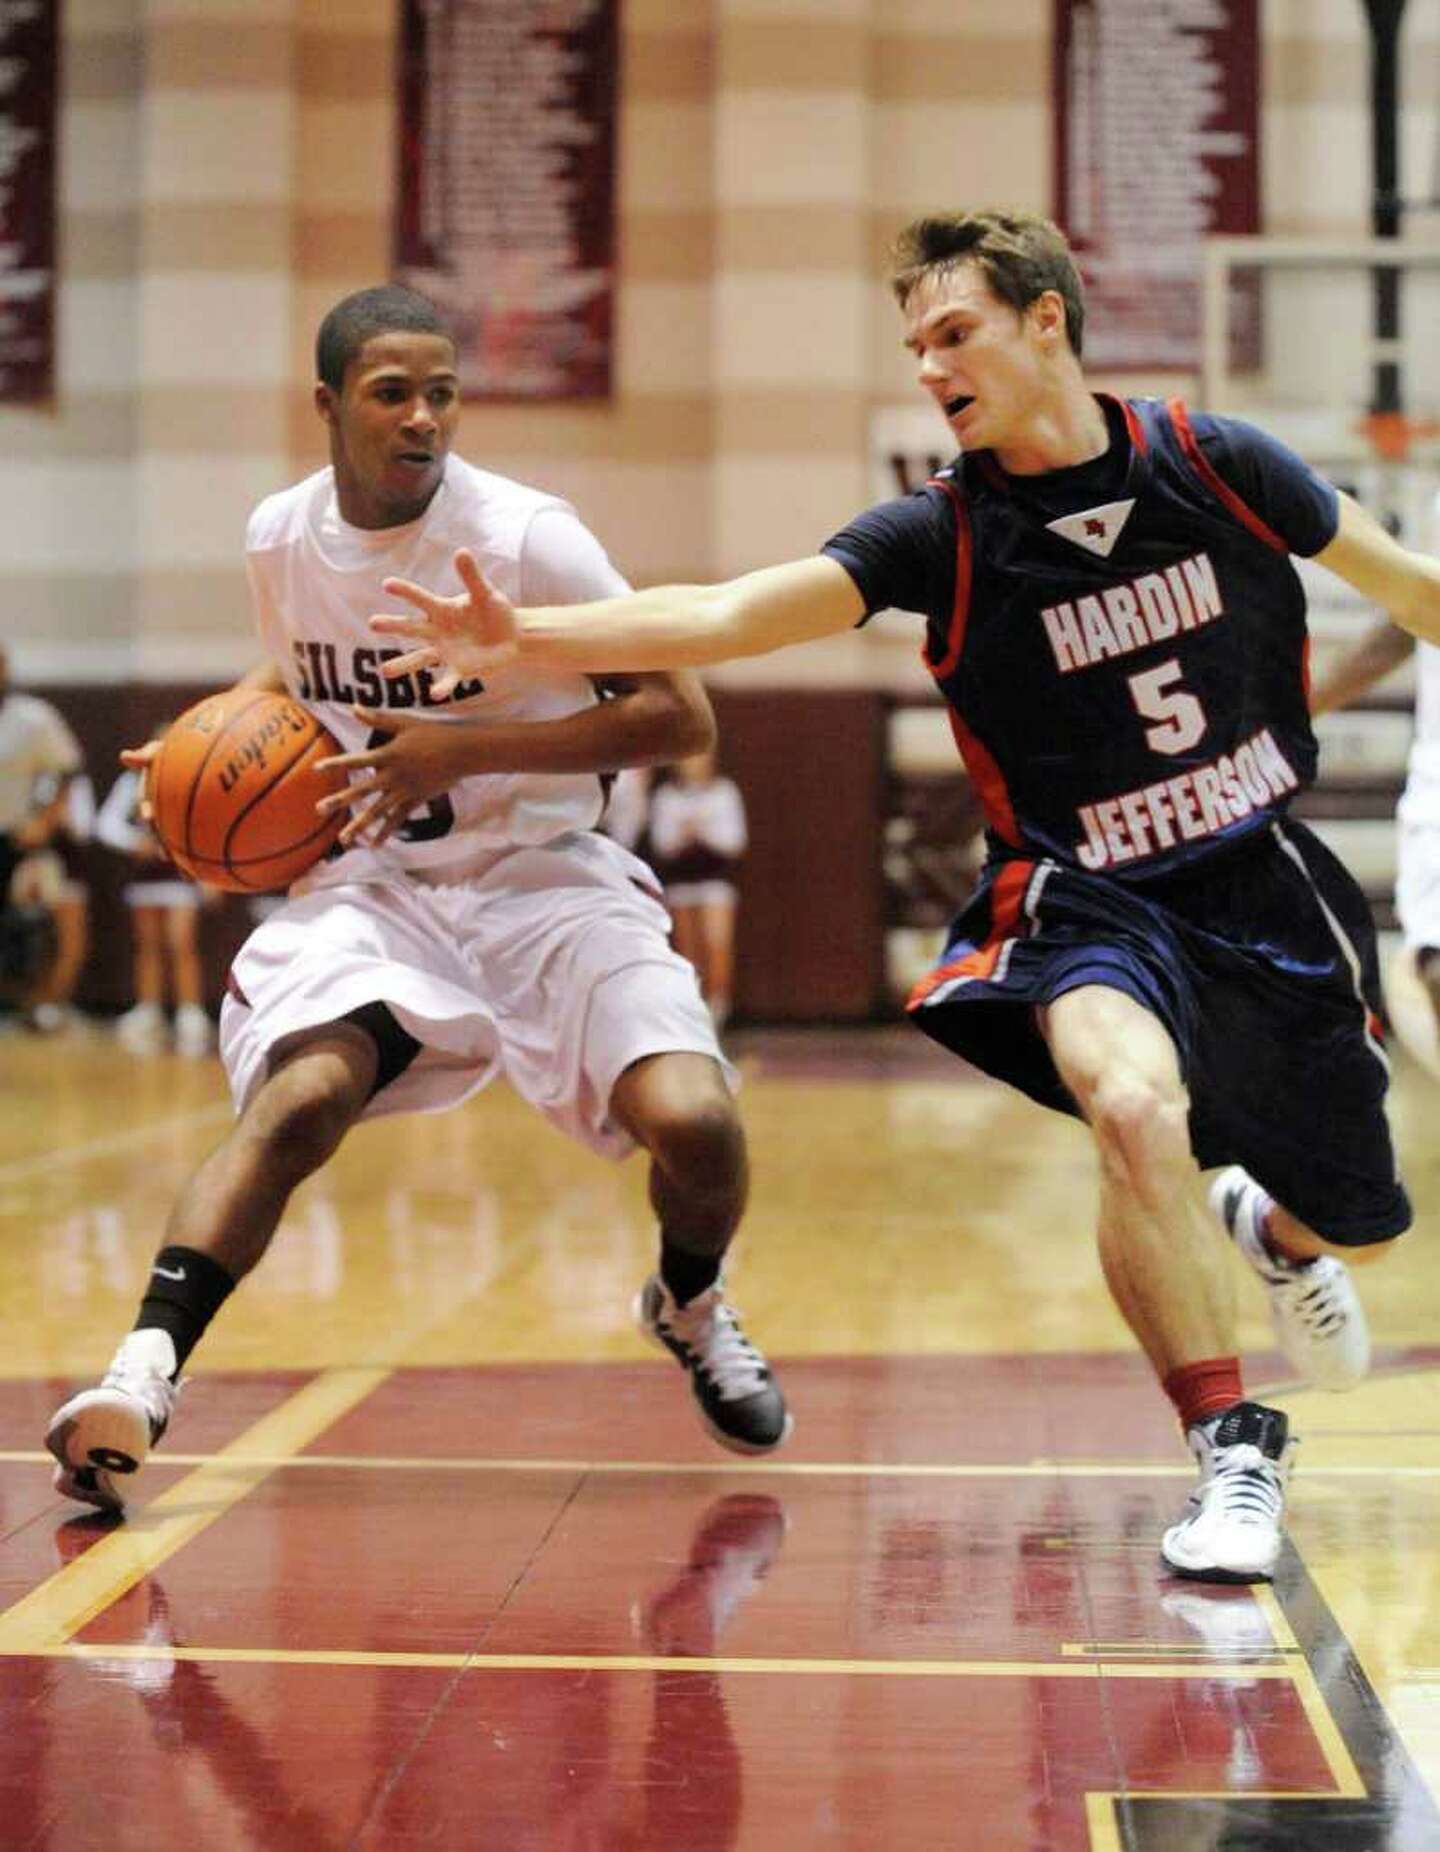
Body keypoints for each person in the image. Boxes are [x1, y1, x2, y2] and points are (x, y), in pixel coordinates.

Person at [363, 210, 1440, 1585]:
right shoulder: (943, 533)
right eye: (916, 346)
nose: (930, 367)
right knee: (1130, 1106)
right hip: (1085, 899)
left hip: (1260, 878)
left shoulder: (1218, 464)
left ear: (1047, 319)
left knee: (1360, 1222)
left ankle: (1268, 1229)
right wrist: (531, 636)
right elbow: (733, 614)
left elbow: (1409, 589)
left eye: (955, 332)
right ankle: (1230, 1439)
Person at [45, 284, 790, 1514]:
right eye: (394, 393)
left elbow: (677, 713)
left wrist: (463, 750)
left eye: (443, 392)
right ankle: (141, 1374)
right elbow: (294, 671)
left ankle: (690, 1298)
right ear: (331, 406)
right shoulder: (281, 534)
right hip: (376, 881)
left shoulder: (528, 538)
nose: (425, 418)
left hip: (549, 881)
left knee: (701, 1128)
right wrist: (202, 742)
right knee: (304, 1097)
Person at [94, 748, 217, 1056]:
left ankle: (191, 1013)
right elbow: (106, 824)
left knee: (181, 943)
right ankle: (148, 1010)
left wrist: (209, 875)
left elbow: (208, 826)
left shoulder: (192, 780)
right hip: (146, 876)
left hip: (181, 876)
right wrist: (135, 842)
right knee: (147, 945)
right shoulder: (132, 781)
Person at [0, 644, 87, 1032]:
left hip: (17, 841)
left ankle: (34, 1005)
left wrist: (45, 822)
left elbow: (68, 769)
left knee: (31, 925)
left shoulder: (33, 719)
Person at [647, 749, 748, 1028]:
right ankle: (691, 1014)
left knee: (716, 945)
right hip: (681, 883)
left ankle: (717, 1012)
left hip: (715, 881)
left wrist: (703, 832)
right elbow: (662, 843)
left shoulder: (724, 792)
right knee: (687, 952)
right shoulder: (667, 796)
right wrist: (682, 835)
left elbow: (734, 840)